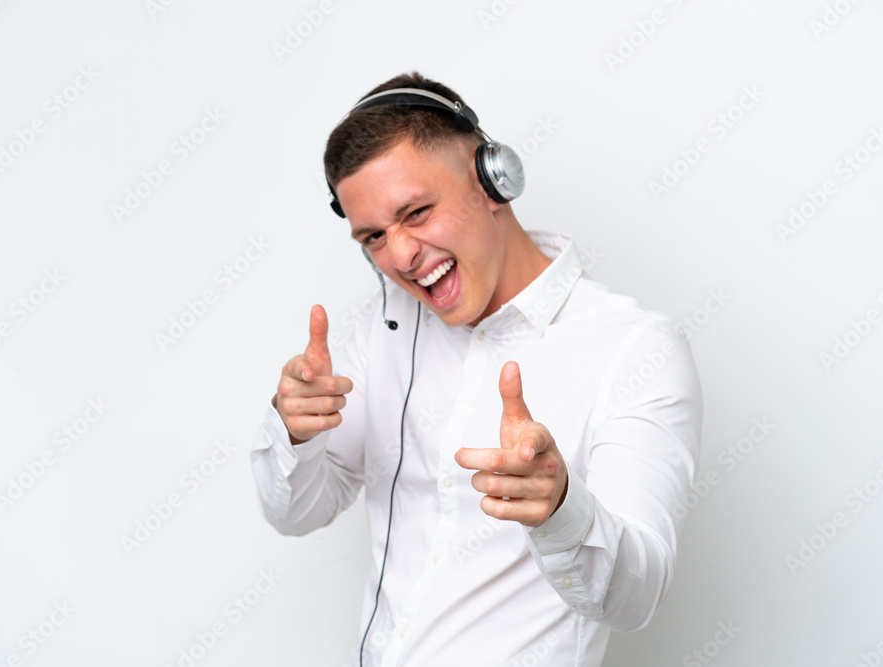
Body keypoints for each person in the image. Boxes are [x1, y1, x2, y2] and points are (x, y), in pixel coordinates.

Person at [249, 71, 703, 666]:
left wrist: (560, 508)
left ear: (493, 181)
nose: (401, 256)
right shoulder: (384, 331)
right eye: (374, 237)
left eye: (416, 212)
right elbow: (296, 512)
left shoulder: (635, 349)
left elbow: (635, 599)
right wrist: (295, 432)